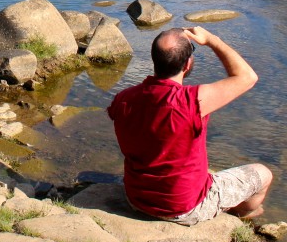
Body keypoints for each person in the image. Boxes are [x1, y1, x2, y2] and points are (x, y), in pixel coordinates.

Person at [107, 26, 272, 225]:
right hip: (184, 207)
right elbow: (247, 77)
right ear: (188, 64)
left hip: (137, 199)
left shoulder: (123, 98)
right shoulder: (192, 101)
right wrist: (212, 40)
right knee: (263, 174)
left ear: (154, 60)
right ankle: (243, 214)